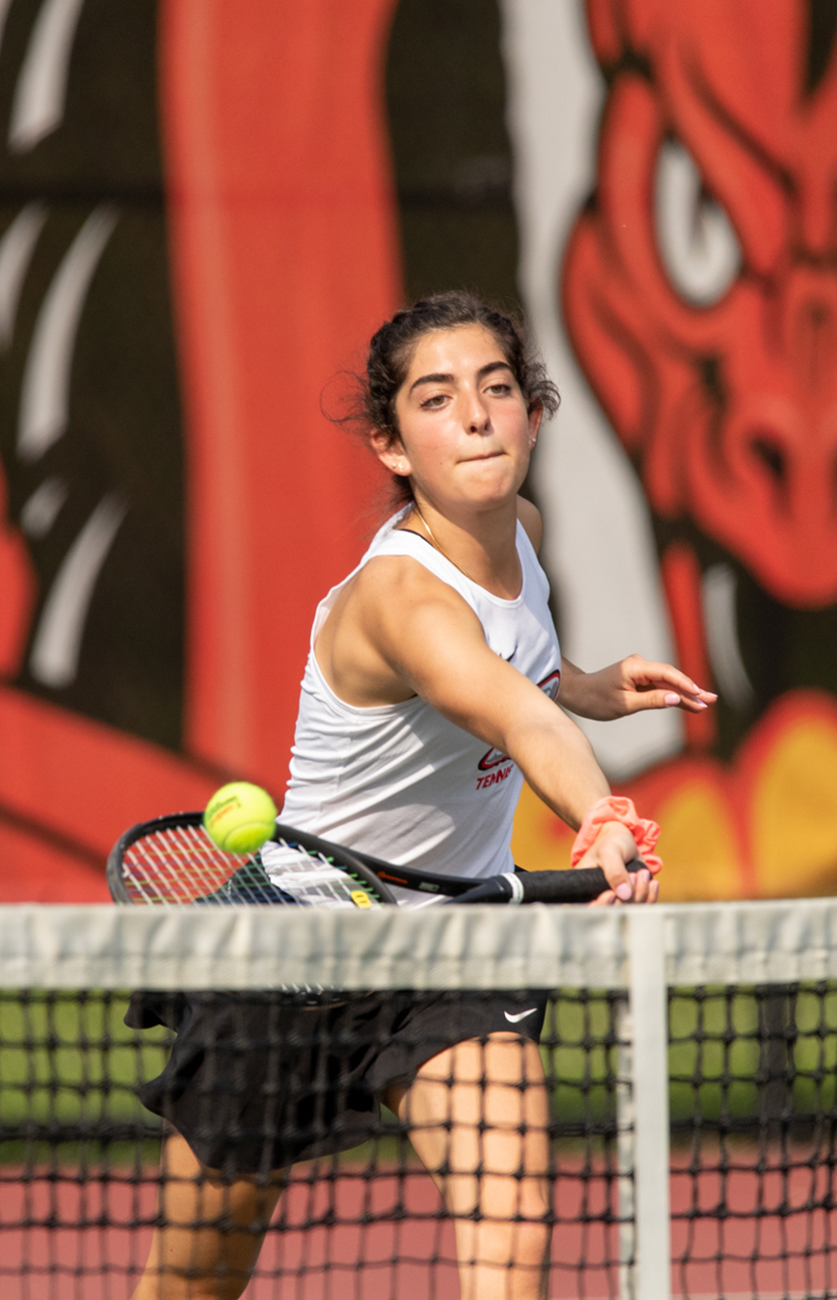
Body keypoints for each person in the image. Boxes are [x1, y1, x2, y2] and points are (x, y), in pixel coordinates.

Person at [128, 292, 714, 1299]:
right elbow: (506, 713)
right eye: (438, 400)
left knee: (512, 1222)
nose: (478, 415)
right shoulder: (399, 600)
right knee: (196, 1277)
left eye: (496, 389)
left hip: (455, 947)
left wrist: (589, 684)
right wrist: (604, 814)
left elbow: (524, 680)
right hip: (293, 954)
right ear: (395, 446)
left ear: (533, 411)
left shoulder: (521, 529)